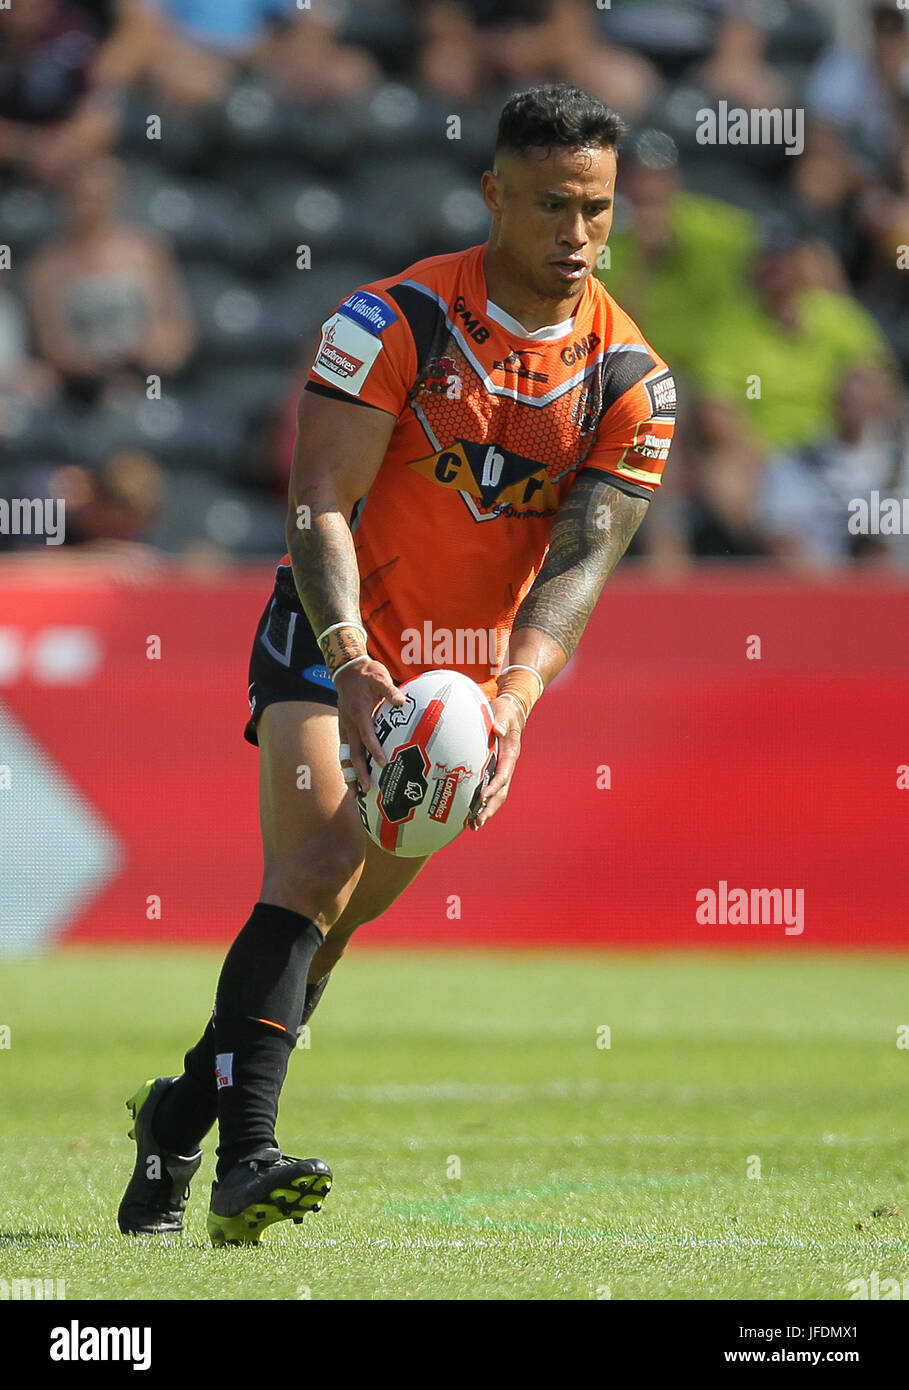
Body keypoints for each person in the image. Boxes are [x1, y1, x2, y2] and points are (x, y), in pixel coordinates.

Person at [117, 83, 677, 1246]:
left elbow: (583, 558)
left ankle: (177, 1119)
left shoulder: (631, 381)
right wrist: (355, 661)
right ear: (494, 196)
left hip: (465, 687)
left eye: (597, 210)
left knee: (330, 928)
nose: (578, 236)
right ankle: (247, 1164)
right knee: (317, 860)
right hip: (335, 638)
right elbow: (318, 503)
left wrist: (518, 693)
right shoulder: (395, 322)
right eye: (551, 207)